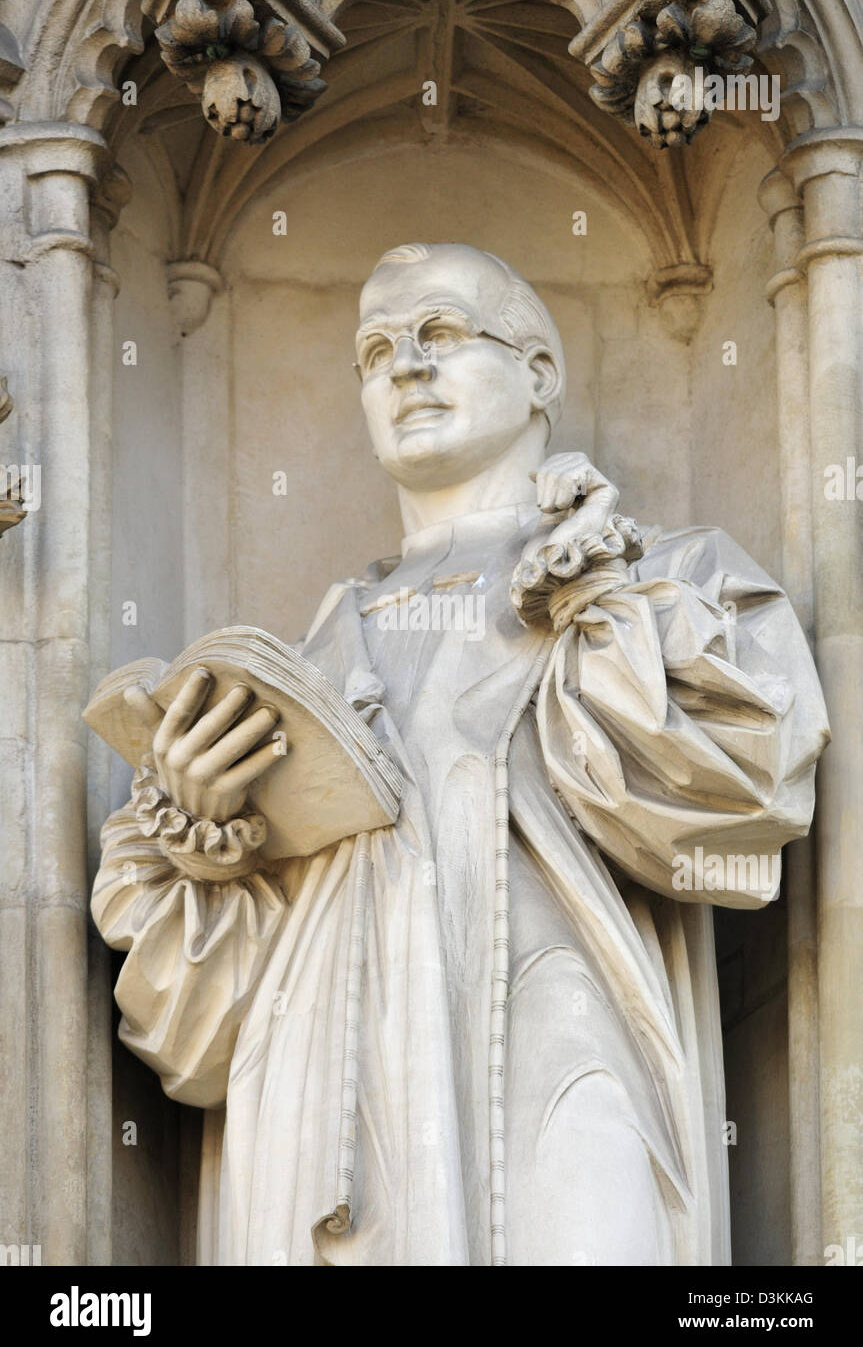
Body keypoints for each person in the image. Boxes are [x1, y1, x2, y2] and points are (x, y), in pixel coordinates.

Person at [92, 242, 829, 1266]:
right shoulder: (306, 656)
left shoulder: (667, 578)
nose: (404, 368)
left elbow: (747, 794)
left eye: (439, 334)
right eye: (376, 350)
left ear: (539, 374)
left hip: (565, 1050)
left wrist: (598, 603)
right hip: (331, 1098)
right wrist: (208, 835)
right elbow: (197, 1033)